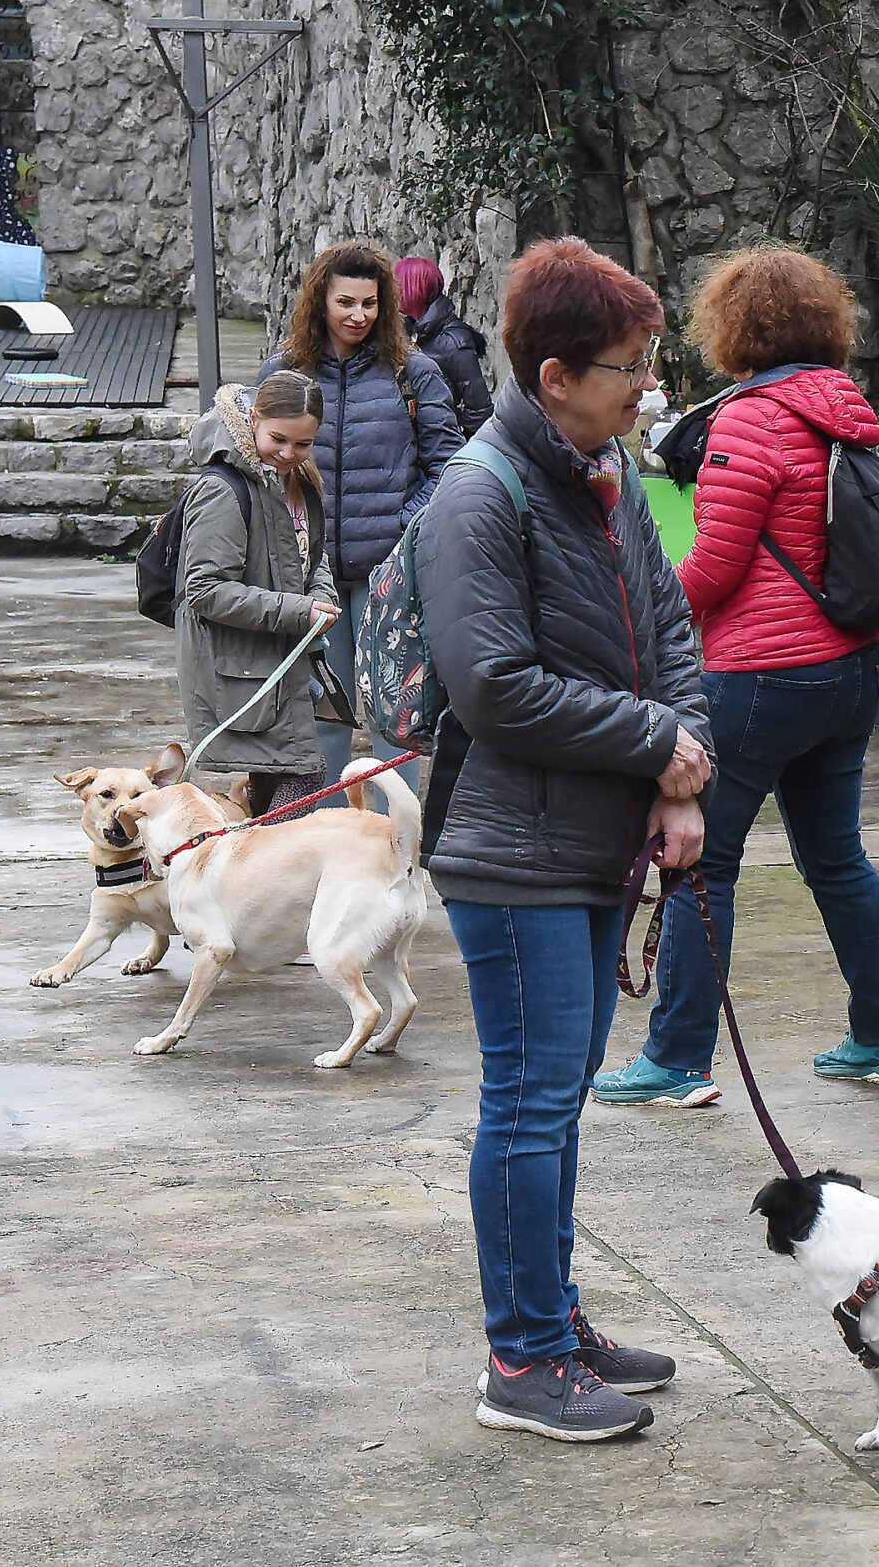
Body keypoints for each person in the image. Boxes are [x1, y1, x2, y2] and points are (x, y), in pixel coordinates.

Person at [417, 237, 713, 1442]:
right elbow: (491, 685)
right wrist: (654, 741)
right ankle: (521, 1359)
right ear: (552, 375)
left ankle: (553, 1314)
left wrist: (681, 774)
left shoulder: (607, 474)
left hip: (595, 848)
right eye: (628, 368)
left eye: (650, 364)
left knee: (559, 1101)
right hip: (512, 857)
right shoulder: (480, 493)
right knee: (530, 1105)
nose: (649, 387)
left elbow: (672, 632)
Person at [591, 247, 879, 1107]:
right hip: (855, 665)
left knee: (703, 863)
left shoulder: (749, 419)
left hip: (764, 676)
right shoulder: (843, 412)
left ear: (736, 328)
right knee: (838, 858)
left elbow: (720, 564)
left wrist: (646, 608)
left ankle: (676, 1060)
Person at [259, 241, 463, 804]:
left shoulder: (413, 374)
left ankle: (396, 846)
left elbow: (448, 464)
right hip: (310, 574)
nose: (358, 315)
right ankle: (319, 845)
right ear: (319, 301)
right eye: (345, 301)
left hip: (393, 575)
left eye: (370, 303)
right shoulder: (284, 374)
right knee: (322, 714)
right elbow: (258, 460)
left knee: (398, 719)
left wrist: (402, 523)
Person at [175, 372, 338, 817]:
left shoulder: (295, 479)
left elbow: (310, 554)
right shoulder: (223, 488)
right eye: (279, 439)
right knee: (303, 773)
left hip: (278, 659)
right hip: (240, 667)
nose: (289, 453)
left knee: (274, 778)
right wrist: (299, 611)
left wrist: (319, 594)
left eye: (303, 444)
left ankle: (255, 874)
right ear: (252, 418)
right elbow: (204, 590)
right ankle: (258, 866)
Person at [397, 254, 494, 436]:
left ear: (413, 290)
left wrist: (455, 446)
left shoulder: (454, 341)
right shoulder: (410, 331)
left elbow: (480, 409)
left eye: (397, 286)